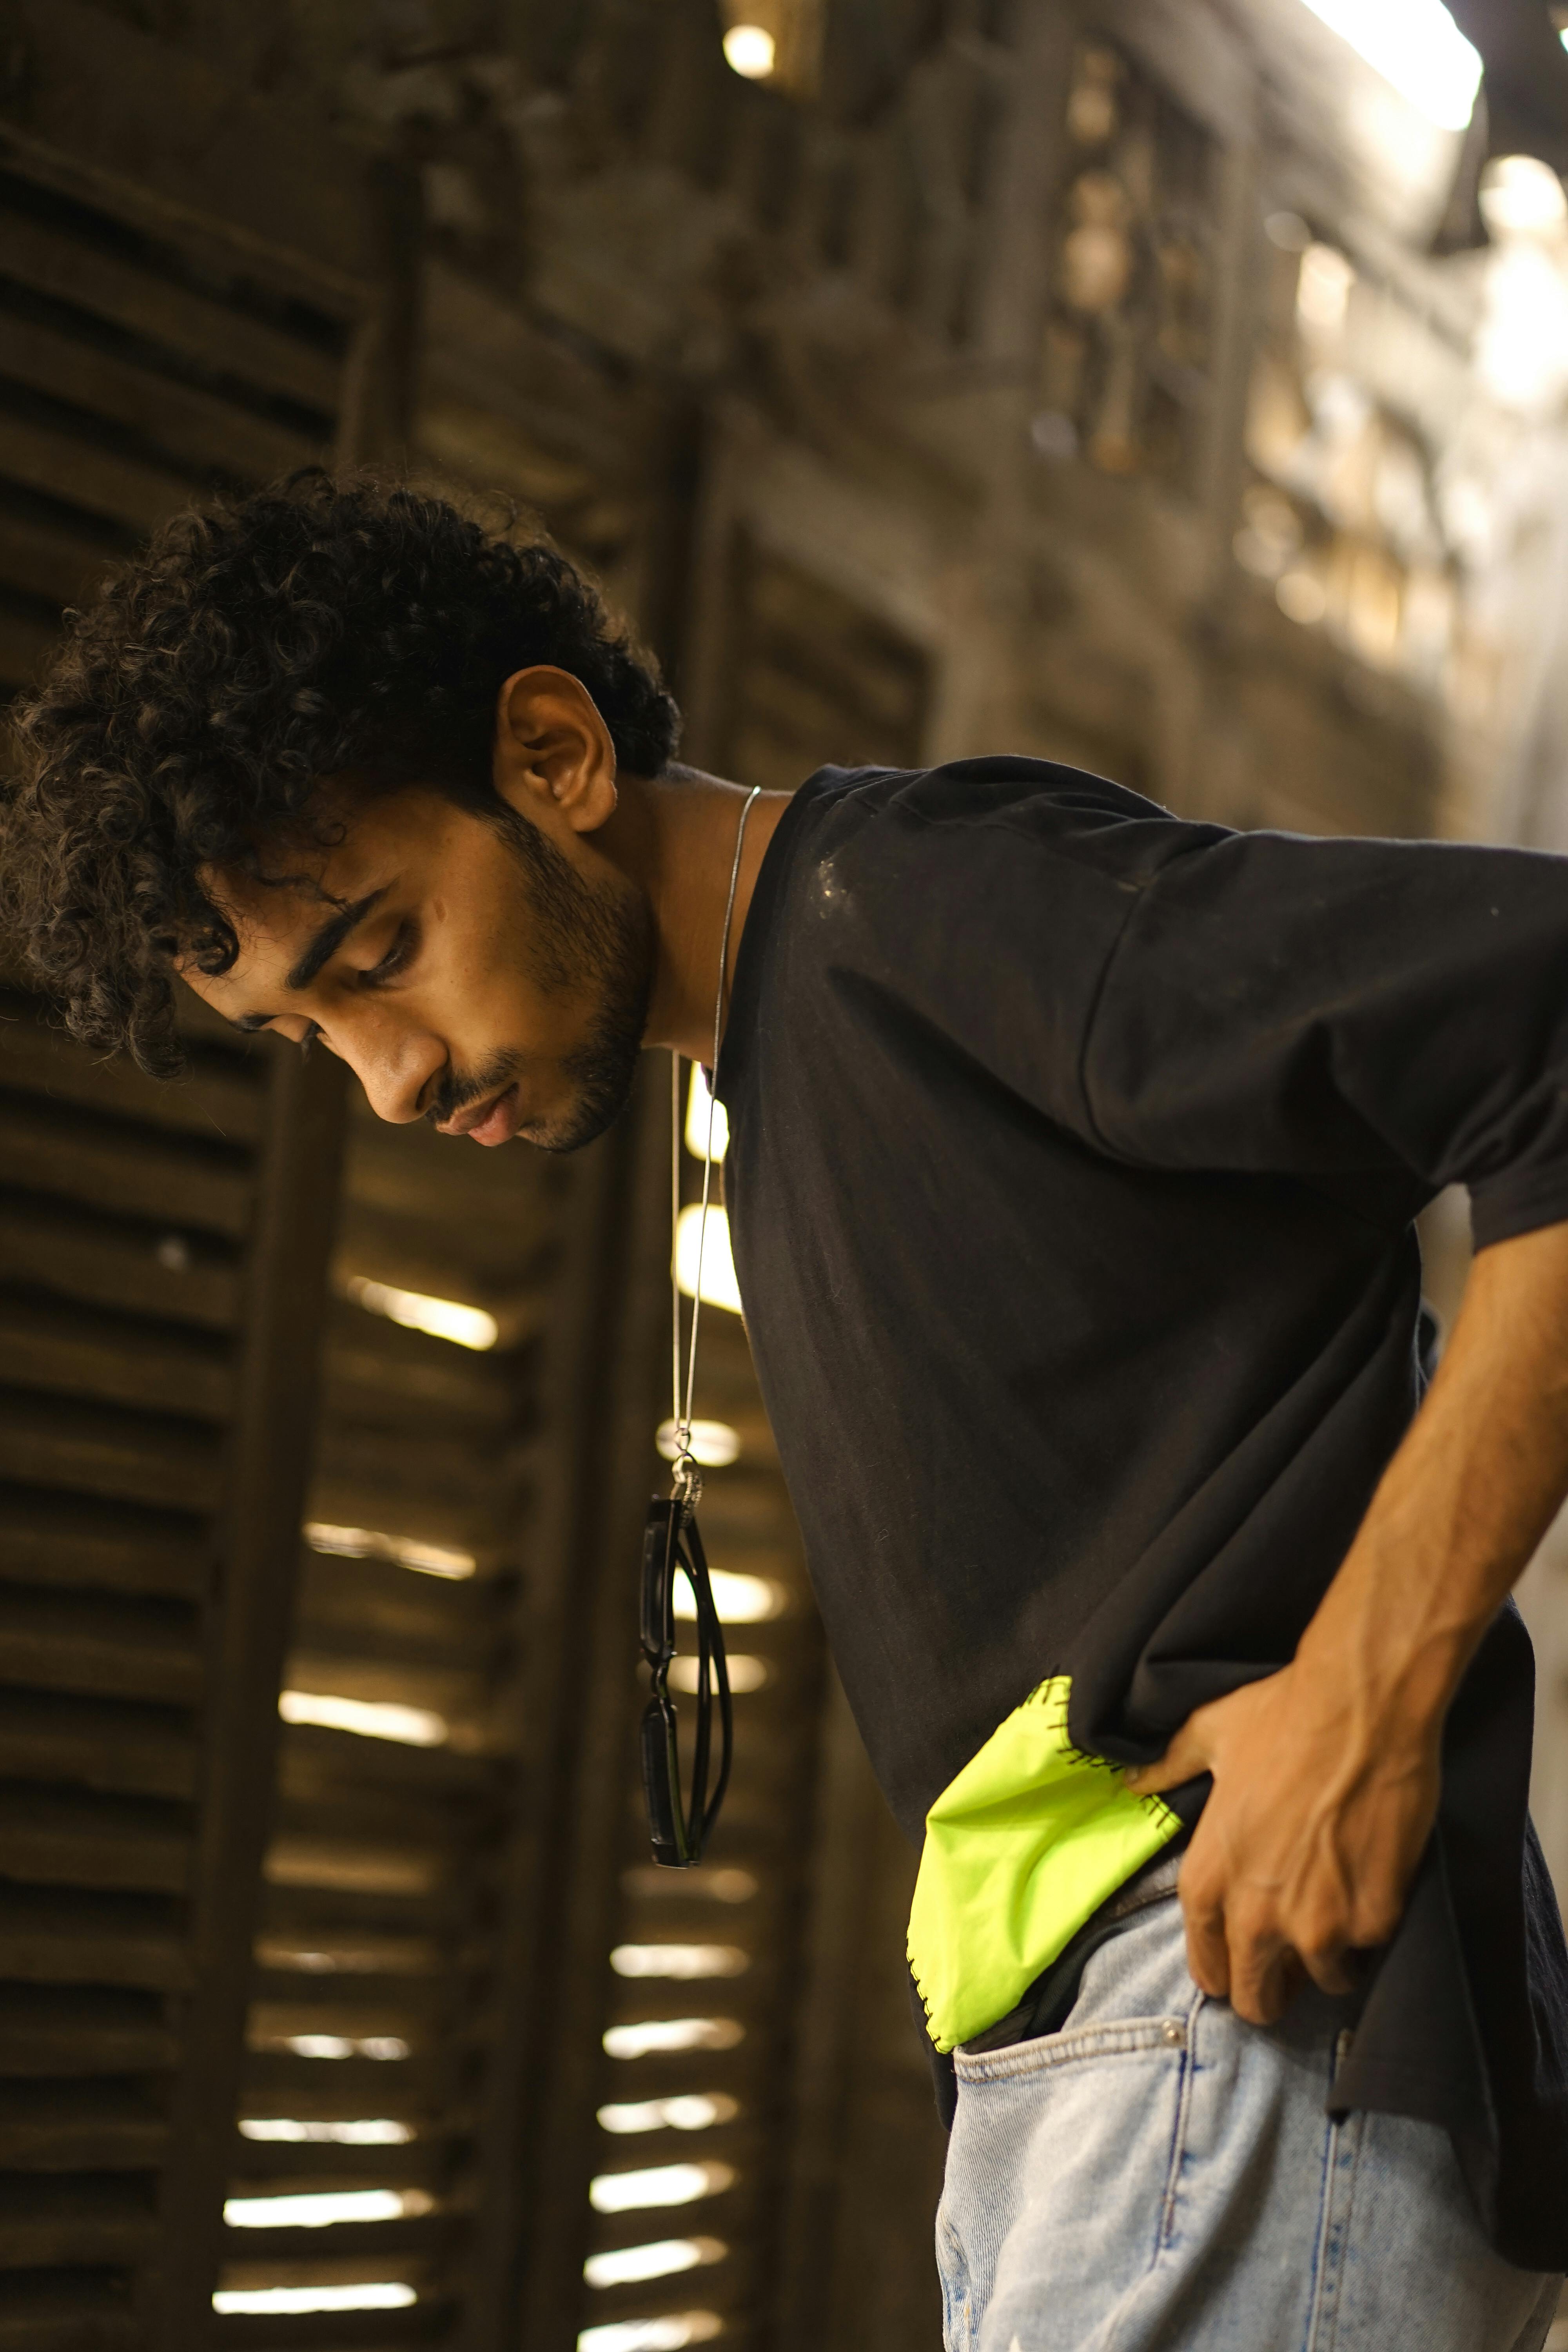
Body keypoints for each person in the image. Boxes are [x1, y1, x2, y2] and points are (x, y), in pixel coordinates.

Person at [7, 471, 1568, 2350]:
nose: (390, 1083)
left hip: (1236, 2036)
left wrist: (1368, 1696)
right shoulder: (776, 1049)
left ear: (553, 750)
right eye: (308, 1038)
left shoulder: (917, 906)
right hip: (1086, 2091)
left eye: (380, 956)